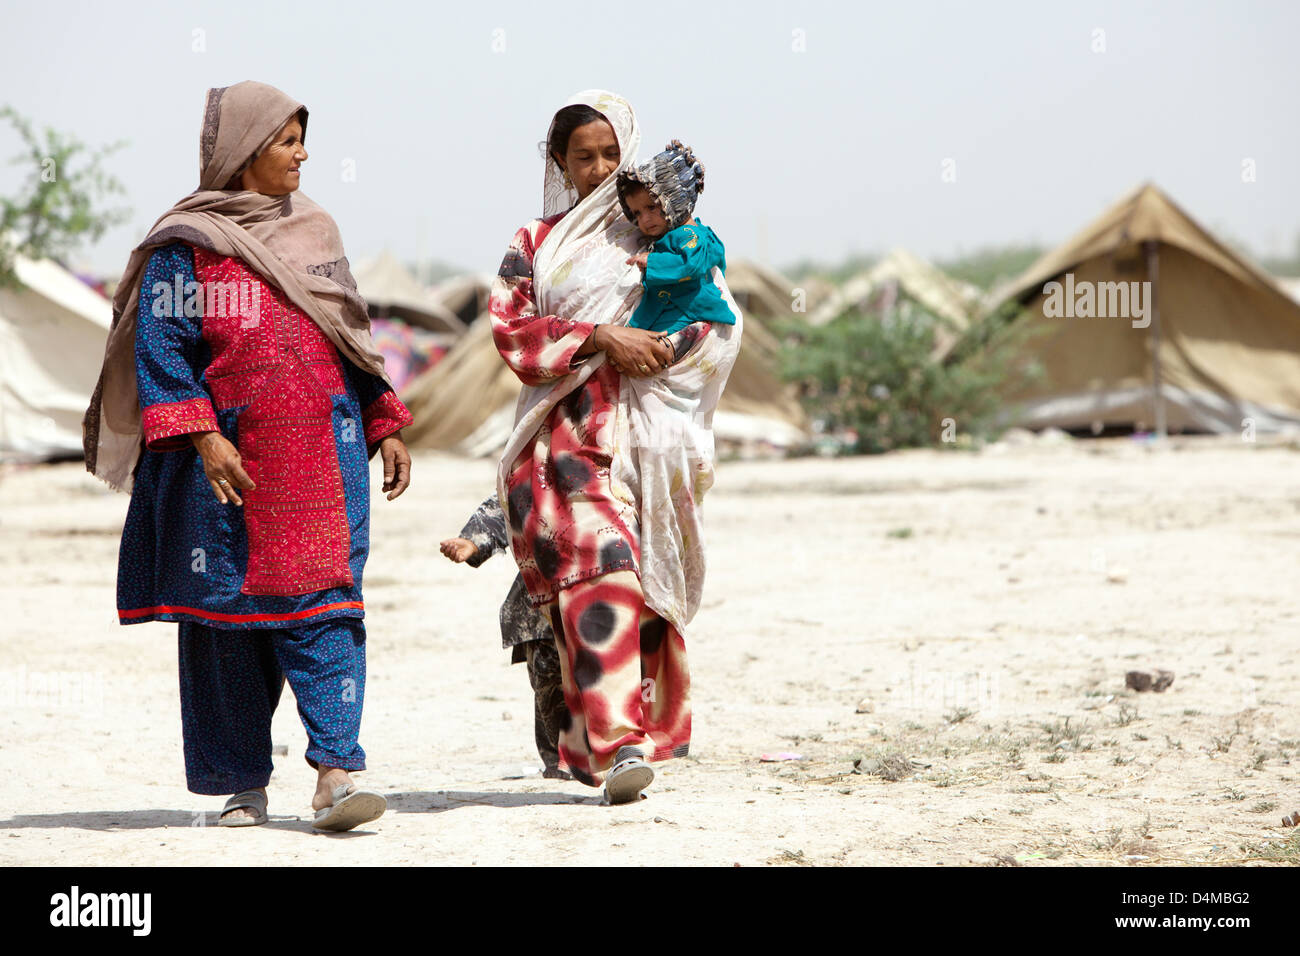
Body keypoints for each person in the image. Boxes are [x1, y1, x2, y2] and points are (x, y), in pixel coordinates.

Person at [83, 81, 413, 832]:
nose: (303, 153)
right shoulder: (186, 247)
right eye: (287, 140)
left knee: (327, 607)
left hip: (324, 459)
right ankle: (241, 784)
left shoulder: (317, 232)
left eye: (304, 138)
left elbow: (349, 338)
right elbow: (161, 350)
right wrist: (203, 435)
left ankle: (336, 771)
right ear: (242, 152)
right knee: (227, 617)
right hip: (226, 471)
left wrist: (384, 420)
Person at [489, 90, 742, 804]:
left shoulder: (662, 230)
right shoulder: (535, 244)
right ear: (559, 164)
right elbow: (511, 330)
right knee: (606, 574)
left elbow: (715, 319)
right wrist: (600, 338)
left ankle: (604, 740)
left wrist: (666, 353)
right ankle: (622, 744)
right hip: (562, 439)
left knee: (639, 585)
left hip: (647, 436)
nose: (599, 169)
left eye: (611, 155)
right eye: (582, 157)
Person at [440, 495, 571, 780]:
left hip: (612, 583)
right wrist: (475, 541)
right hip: (547, 591)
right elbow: (514, 495)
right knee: (549, 673)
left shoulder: (619, 458)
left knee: (614, 671)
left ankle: (620, 752)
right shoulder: (544, 456)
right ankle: (562, 758)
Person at [616, 140, 735, 335]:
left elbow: (691, 265)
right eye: (636, 213)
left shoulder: (691, 235)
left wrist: (652, 260)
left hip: (687, 313)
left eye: (651, 207)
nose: (644, 219)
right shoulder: (671, 236)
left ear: (674, 200)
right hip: (663, 312)